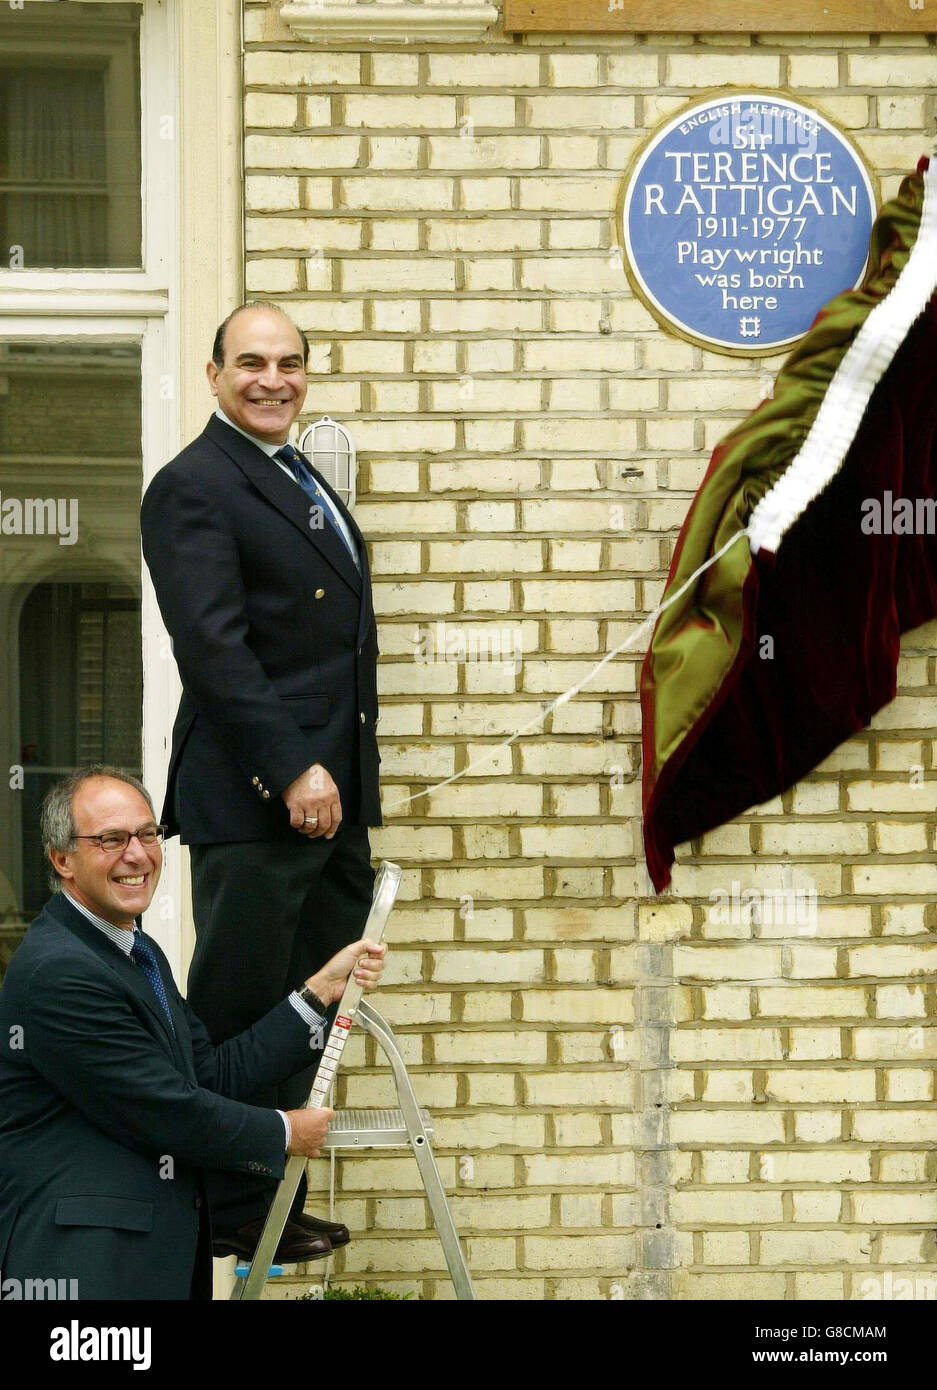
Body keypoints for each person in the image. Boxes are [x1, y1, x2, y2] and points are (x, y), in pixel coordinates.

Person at [140, 301, 381, 1253]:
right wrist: (291, 769)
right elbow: (214, 647)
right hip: (259, 800)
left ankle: (265, 1202)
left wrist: (336, 781)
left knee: (314, 1001)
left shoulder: (293, 473)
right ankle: (228, 1211)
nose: (271, 379)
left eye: (287, 363)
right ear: (212, 375)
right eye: (249, 362)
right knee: (243, 1009)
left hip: (329, 803)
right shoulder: (195, 484)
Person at [0, 768, 387, 1300]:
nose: (136, 854)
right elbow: (165, 1109)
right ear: (62, 860)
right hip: (88, 1270)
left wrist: (320, 990)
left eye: (147, 834)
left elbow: (209, 1074)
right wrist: (282, 1133)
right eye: (110, 839)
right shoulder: (60, 971)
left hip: (151, 1260)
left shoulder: (137, 950)